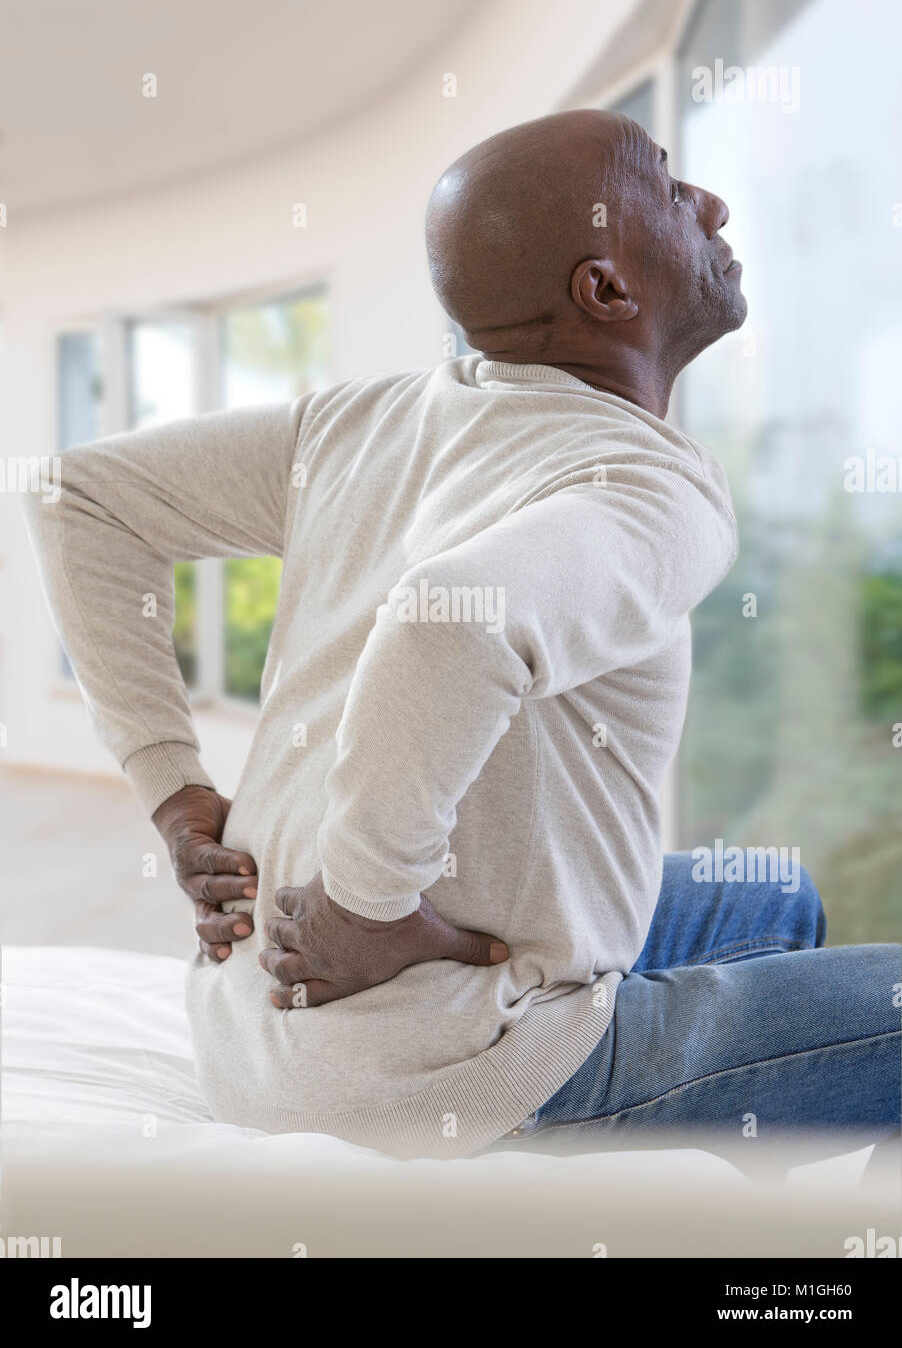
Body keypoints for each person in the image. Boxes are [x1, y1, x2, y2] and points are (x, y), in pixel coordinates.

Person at [24, 111, 900, 1162]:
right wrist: (367, 909)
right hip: (415, 1061)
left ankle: (726, 1195)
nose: (707, 206)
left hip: (250, 1029)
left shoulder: (368, 421)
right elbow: (450, 627)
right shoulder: (647, 486)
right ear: (605, 291)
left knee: (772, 893)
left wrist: (175, 794)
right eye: (668, 190)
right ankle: (607, 1094)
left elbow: (76, 496)